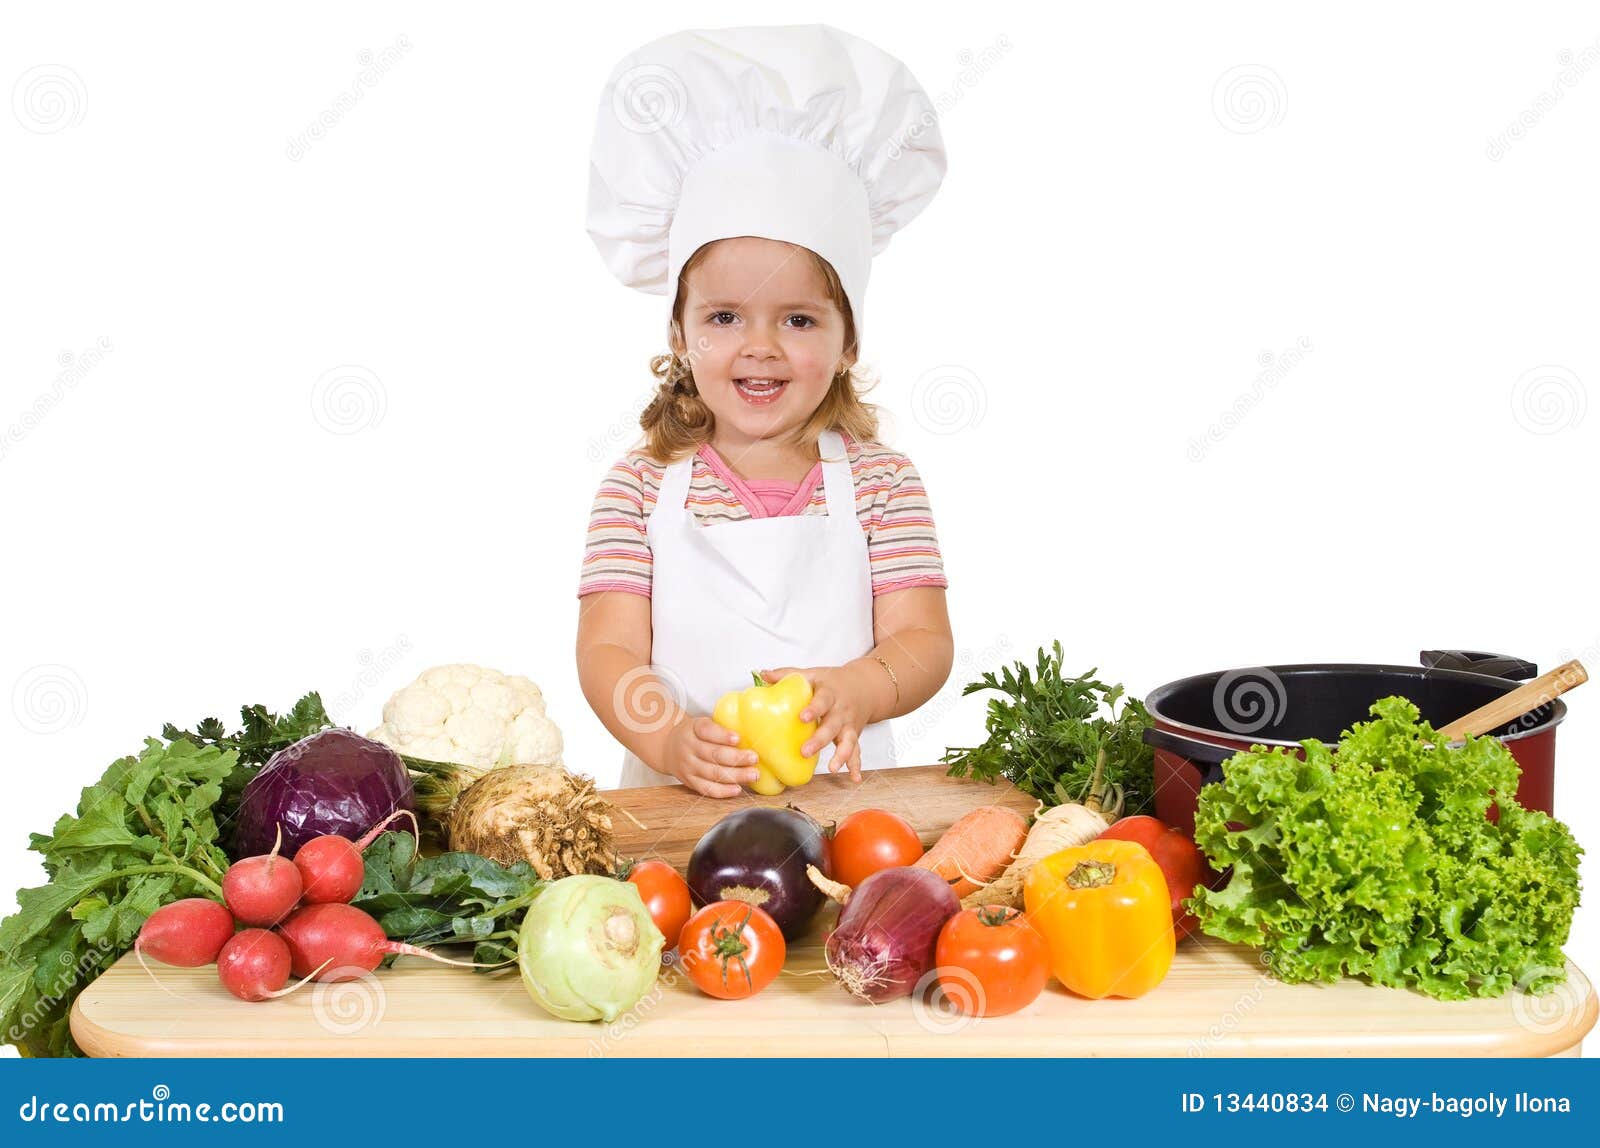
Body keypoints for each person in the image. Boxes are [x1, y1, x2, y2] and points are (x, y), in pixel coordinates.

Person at [576, 24, 953, 797]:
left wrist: (862, 687)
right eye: (724, 318)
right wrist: (670, 736)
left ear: (849, 339)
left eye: (799, 319)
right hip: (675, 804)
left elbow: (922, 642)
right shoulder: (638, 487)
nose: (761, 347)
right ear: (679, 333)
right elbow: (608, 653)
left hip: (844, 813)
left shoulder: (885, 484)